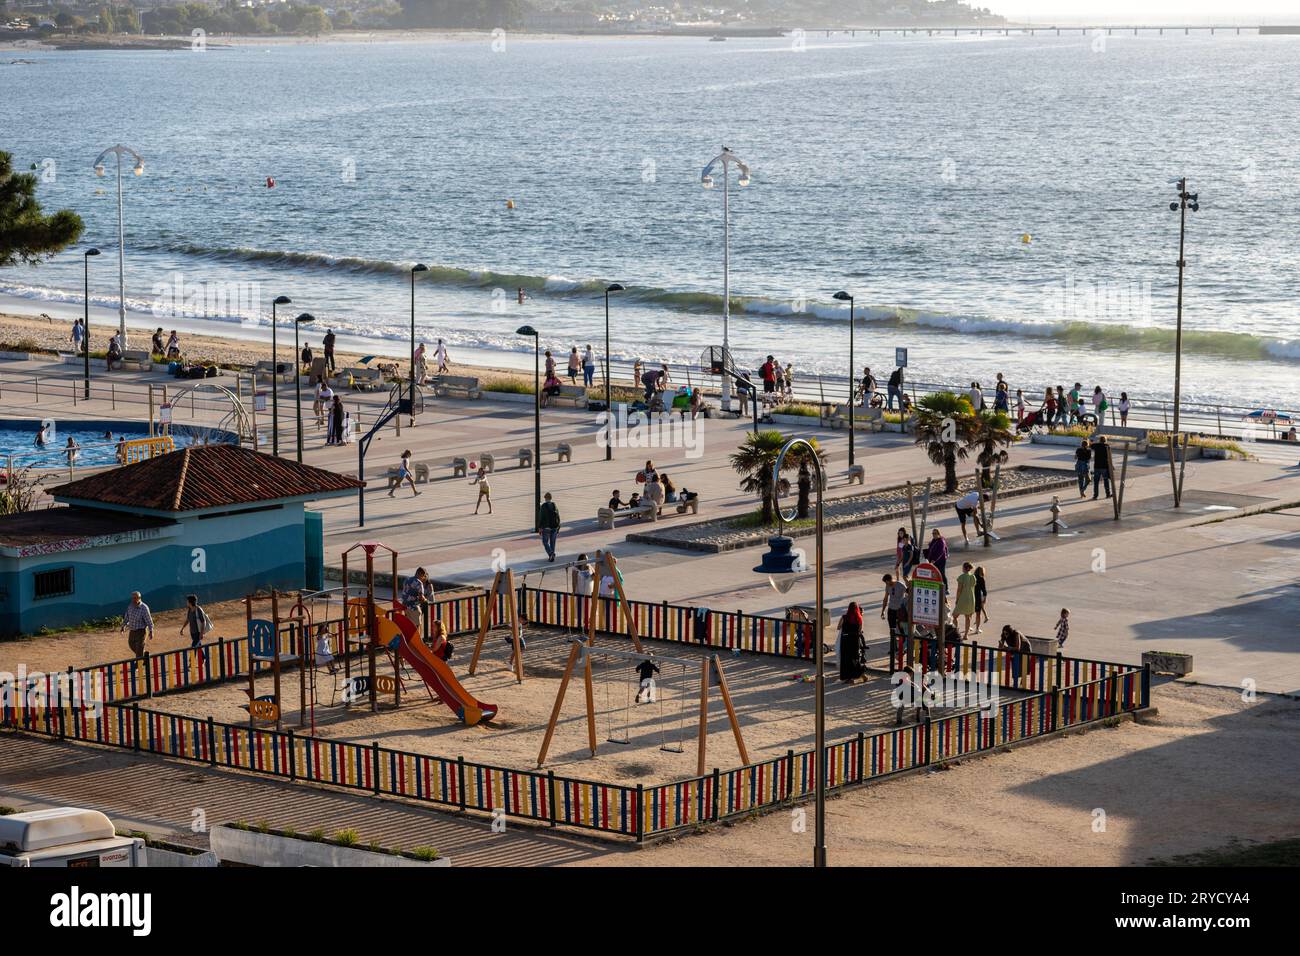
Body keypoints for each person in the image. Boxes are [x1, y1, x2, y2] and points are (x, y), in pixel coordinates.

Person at [836, 602, 866, 683]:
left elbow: (838, 627)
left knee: (846, 659)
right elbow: (860, 631)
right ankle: (860, 674)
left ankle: (849, 678)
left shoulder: (844, 617)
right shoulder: (859, 618)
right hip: (855, 640)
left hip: (845, 639)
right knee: (854, 658)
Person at [121, 591, 154, 659]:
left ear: (139, 598)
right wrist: (123, 626)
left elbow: (149, 620)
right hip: (132, 630)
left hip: (141, 631)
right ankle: (144, 655)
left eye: (135, 598)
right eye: (132, 598)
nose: (133, 599)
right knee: (131, 645)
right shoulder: (130, 606)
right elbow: (127, 617)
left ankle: (138, 665)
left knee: (139, 648)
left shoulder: (144, 608)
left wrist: (151, 631)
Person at [880, 573, 908, 639]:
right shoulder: (887, 586)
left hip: (899, 610)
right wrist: (883, 611)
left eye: (887, 582)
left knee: (901, 629)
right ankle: (893, 646)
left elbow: (908, 593)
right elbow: (885, 599)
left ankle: (903, 645)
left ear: (890, 580)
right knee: (892, 629)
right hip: (891, 610)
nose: (886, 584)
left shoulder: (900, 585)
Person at [954, 562, 977, 640]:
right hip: (971, 598)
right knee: (968, 617)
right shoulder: (973, 576)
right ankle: (966, 635)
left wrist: (957, 599)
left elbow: (959, 590)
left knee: (955, 616)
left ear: (964, 568)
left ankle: (956, 632)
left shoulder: (961, 577)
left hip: (963, 598)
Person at [999, 625, 1026, 689]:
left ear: (1010, 632)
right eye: (1004, 633)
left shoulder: (1016, 634)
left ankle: (1022, 683)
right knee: (1014, 666)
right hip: (1014, 651)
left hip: (1025, 649)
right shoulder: (1004, 635)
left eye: (1006, 633)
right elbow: (1000, 647)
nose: (1005, 635)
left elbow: (1018, 648)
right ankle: (1015, 683)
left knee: (1024, 667)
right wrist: (1001, 645)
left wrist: (1007, 648)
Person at [539, 492, 560, 562]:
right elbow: (558, 516)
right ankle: (551, 557)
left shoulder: (543, 506)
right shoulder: (554, 505)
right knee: (552, 542)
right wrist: (558, 527)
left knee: (545, 542)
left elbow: (541, 518)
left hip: (546, 527)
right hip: (554, 527)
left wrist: (540, 527)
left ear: (545, 498)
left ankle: (551, 553)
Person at [1090, 434, 1113, 499]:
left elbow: (1091, 445)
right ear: (1105, 440)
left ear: (1099, 440)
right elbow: (1109, 457)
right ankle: (1107, 494)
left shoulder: (1096, 445)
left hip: (1097, 466)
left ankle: (1095, 495)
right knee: (1106, 480)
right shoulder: (1107, 446)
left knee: (1096, 482)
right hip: (1104, 466)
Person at [973, 565, 988, 634]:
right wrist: (984, 598)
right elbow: (984, 590)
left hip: (971, 596)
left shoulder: (972, 577)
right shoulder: (981, 579)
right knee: (978, 614)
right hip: (978, 597)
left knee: (969, 613)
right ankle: (977, 629)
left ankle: (968, 627)